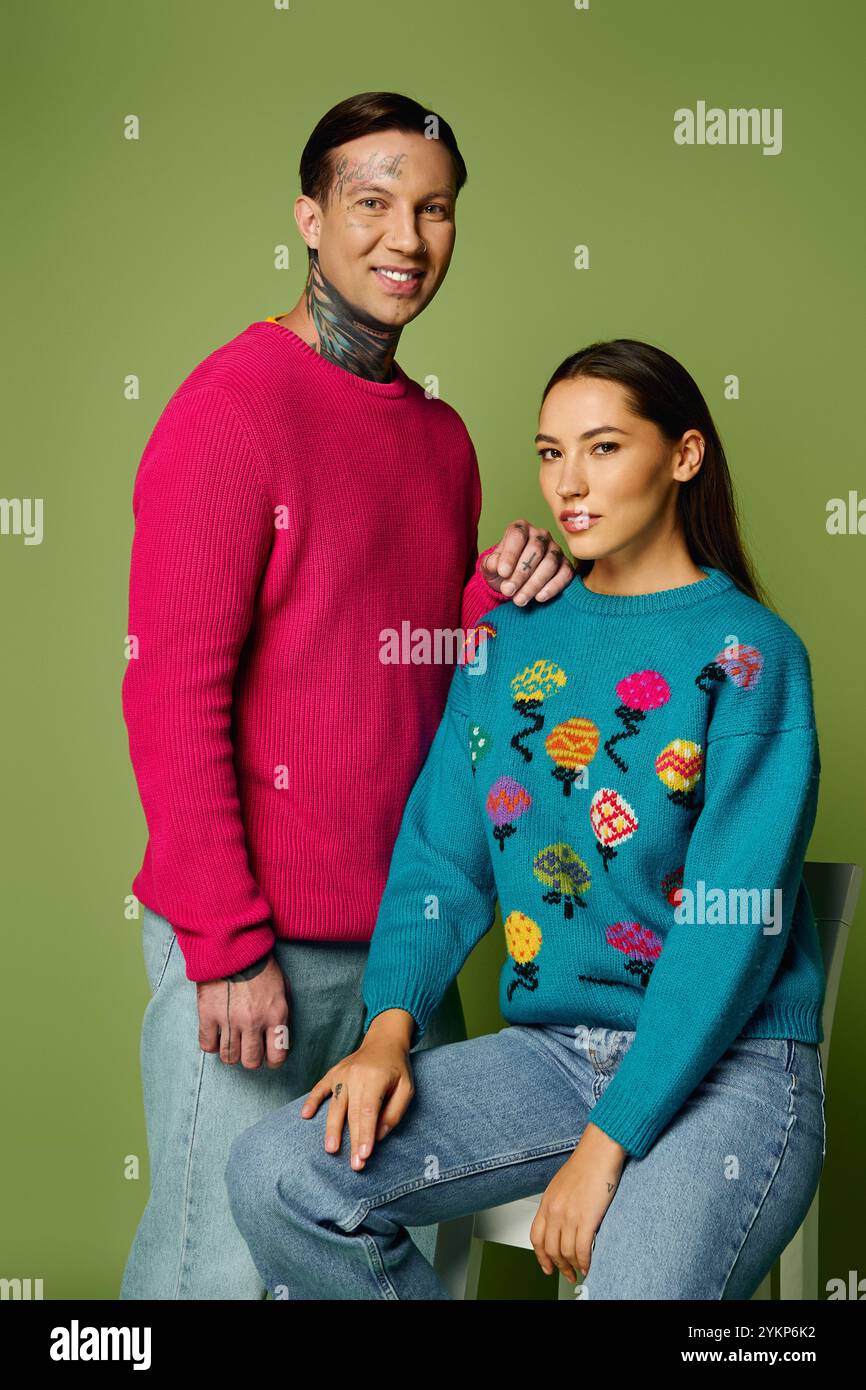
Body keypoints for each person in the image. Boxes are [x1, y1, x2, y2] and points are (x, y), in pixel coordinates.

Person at [225, 338, 828, 1301]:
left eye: (603, 448)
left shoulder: (752, 657)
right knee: (275, 1174)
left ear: (684, 456)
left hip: (733, 1068)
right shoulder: (506, 640)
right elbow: (442, 855)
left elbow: (728, 935)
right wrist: (388, 1028)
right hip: (550, 1056)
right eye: (551, 453)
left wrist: (605, 1149)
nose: (569, 484)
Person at [119, 90, 574, 1301]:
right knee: (206, 1273)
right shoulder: (227, 410)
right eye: (372, 204)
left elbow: (424, 671)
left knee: (390, 1263)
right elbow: (170, 695)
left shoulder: (442, 439)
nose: (405, 238)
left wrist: (502, 595)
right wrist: (223, 944)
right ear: (310, 219)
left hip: (405, 954)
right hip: (258, 942)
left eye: (432, 210)